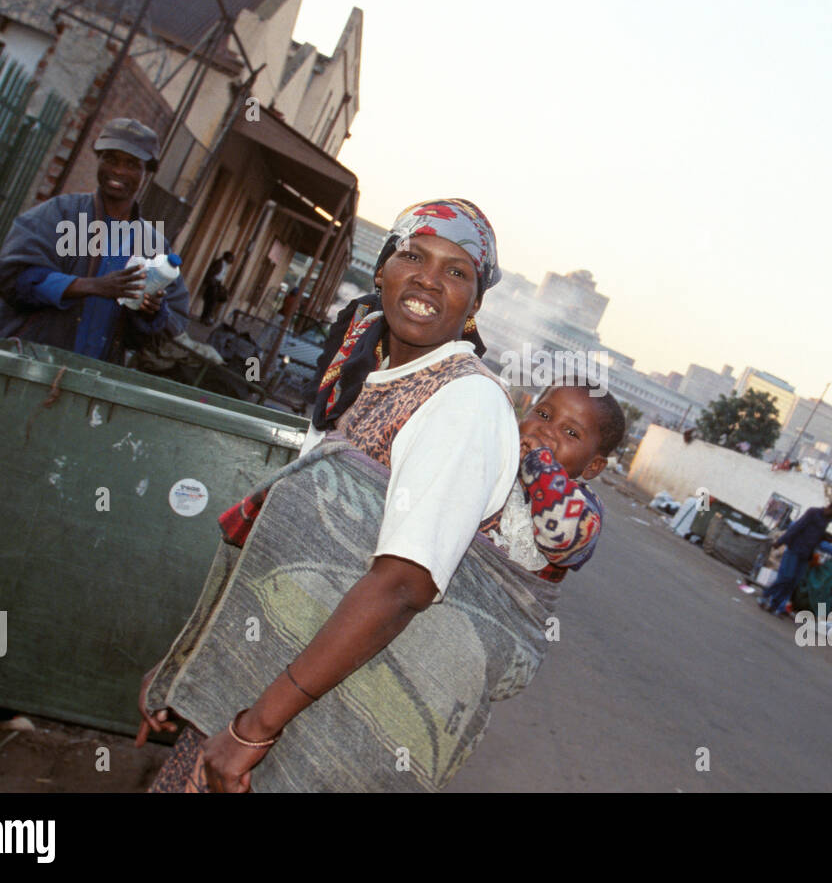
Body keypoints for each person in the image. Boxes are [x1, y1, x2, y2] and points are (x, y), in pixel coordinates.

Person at [140, 198, 517, 793]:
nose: (427, 277)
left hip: (323, 715)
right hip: (266, 683)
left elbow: (401, 586)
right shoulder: (374, 378)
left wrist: (254, 731)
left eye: (456, 270)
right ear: (382, 269)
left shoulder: (465, 402)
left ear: (474, 303)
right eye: (413, 255)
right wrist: (194, 671)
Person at [0, 117, 190, 362]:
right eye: (110, 159)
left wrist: (151, 312)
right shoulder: (60, 214)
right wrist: (91, 286)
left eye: (132, 164)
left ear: (147, 172)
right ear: (98, 160)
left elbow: (173, 322)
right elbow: (11, 276)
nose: (119, 171)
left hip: (90, 382)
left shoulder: (153, 245)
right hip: (26, 366)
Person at [515, 383, 625, 581]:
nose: (547, 430)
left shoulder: (583, 505)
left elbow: (565, 538)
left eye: (571, 432)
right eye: (543, 414)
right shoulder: (499, 463)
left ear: (593, 465)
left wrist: (540, 466)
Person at [758, 499, 832, 615]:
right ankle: (765, 595)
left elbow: (816, 536)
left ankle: (774, 604)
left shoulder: (826, 521)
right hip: (794, 549)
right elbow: (797, 527)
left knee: (793, 582)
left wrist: (826, 539)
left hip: (806, 555)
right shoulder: (813, 513)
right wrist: (781, 541)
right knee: (786, 577)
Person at [199, 251, 232, 325]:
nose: (232, 260)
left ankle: (207, 317)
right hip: (213, 283)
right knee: (210, 301)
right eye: (231, 258)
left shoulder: (225, 265)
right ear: (226, 257)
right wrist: (212, 282)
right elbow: (211, 273)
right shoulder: (219, 263)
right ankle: (205, 318)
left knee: (213, 302)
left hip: (218, 283)